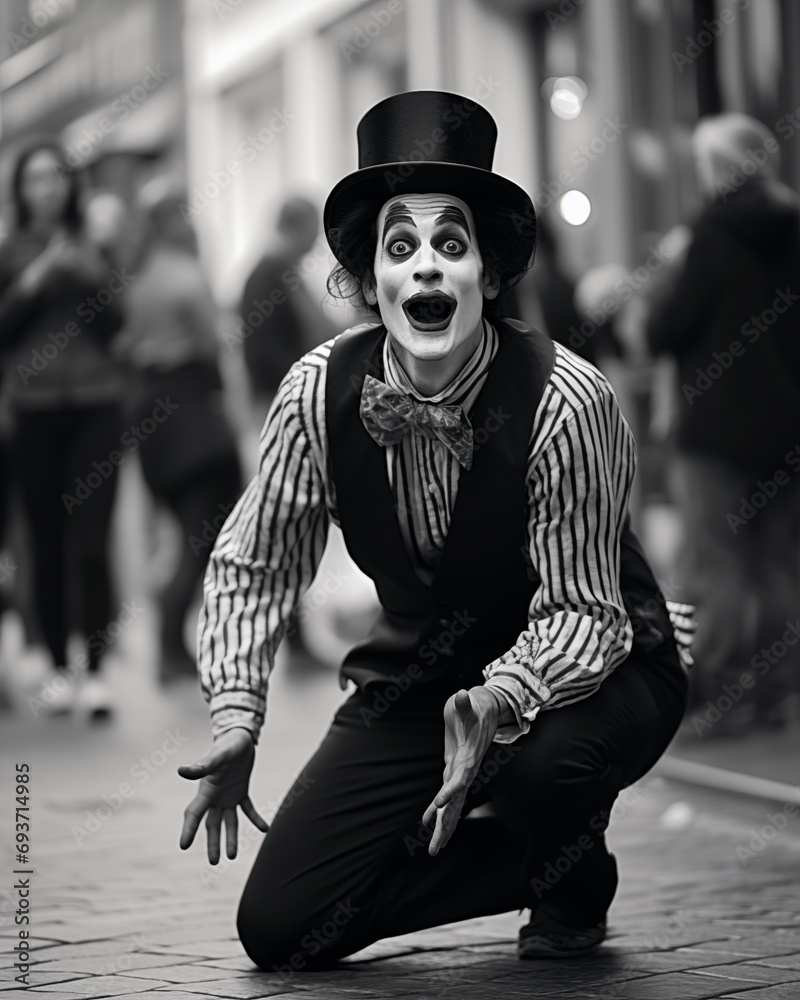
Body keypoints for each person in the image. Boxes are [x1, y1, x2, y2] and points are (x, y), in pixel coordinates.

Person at [179, 91, 694, 965]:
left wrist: (498, 704)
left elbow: (584, 611)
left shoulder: (568, 400)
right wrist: (237, 714)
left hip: (593, 666)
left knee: (545, 769)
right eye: (400, 247)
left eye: (450, 246)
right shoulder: (316, 391)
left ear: (488, 276)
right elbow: (253, 565)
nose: (424, 268)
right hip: (421, 676)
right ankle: (533, 861)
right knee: (279, 930)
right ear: (368, 279)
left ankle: (572, 885)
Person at [645, 113, 800, 730]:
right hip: (787, 430)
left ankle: (725, 696)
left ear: (719, 168)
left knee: (720, 564)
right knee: (779, 562)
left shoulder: (708, 234)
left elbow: (667, 329)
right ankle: (780, 690)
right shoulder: (796, 227)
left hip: (716, 431)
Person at [0, 138, 126, 719]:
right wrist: (35, 278)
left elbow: (117, 326)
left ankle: (96, 671)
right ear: (21, 191)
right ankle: (56, 668)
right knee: (46, 544)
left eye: (56, 177)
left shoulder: (94, 246)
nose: (47, 187)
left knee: (93, 541)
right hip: (34, 409)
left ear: (70, 185)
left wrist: (89, 276)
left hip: (97, 405)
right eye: (35, 179)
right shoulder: (10, 251)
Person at [116, 188, 243, 683]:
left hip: (153, 420)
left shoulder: (136, 280)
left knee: (193, 539)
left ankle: (175, 644)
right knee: (208, 539)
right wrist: (232, 414)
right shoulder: (187, 277)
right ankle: (169, 645)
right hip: (193, 417)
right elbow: (215, 349)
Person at [239, 196, 337, 425]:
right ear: (298, 227)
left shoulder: (283, 272)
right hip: (283, 396)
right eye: (314, 231)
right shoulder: (268, 277)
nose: (316, 240)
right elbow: (264, 351)